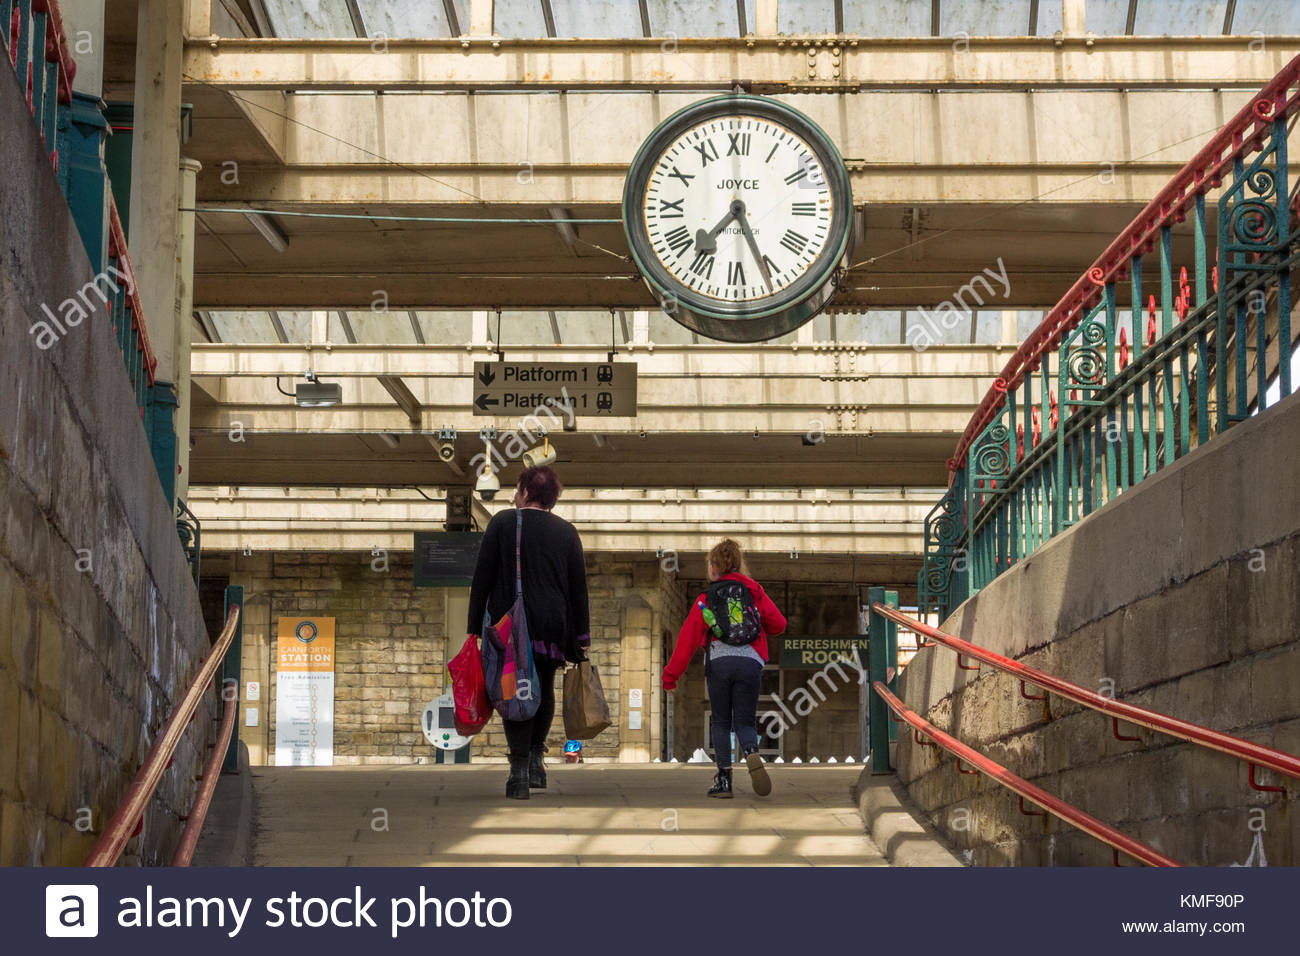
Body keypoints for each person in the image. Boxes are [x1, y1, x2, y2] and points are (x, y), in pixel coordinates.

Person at [467, 465, 590, 800]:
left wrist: (473, 627)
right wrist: (581, 638)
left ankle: (518, 770)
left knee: (513, 688)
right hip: (552, 626)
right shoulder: (567, 532)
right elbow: (579, 590)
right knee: (543, 687)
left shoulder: (503, 523)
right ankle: (536, 759)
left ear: (523, 491)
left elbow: (483, 578)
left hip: (511, 625)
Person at [661, 538, 787, 798]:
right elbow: (779, 624)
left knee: (720, 721)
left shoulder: (706, 599)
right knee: (744, 720)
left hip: (719, 662)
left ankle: (724, 781)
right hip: (750, 661)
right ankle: (751, 752)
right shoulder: (754, 592)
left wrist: (670, 677)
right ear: (739, 566)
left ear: (713, 569)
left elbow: (686, 641)